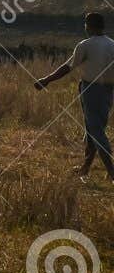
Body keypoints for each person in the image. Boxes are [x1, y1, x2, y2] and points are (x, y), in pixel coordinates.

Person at [33, 11, 114, 181]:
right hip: (108, 91)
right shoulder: (111, 44)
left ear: (88, 26)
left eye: (86, 24)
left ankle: (112, 173)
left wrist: (46, 80)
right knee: (92, 129)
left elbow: (67, 67)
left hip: (92, 90)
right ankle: (85, 168)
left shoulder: (85, 45)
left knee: (96, 131)